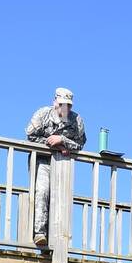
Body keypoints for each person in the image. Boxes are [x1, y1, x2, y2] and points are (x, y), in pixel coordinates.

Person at [26, 87, 86, 246]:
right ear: (54, 102)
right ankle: (39, 233)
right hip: (42, 161)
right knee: (42, 192)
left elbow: (80, 145)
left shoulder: (77, 120)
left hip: (62, 164)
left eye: (68, 105)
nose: (64, 108)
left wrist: (62, 140)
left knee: (60, 199)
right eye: (61, 104)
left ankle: (56, 239)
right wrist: (53, 145)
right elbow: (30, 136)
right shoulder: (42, 114)